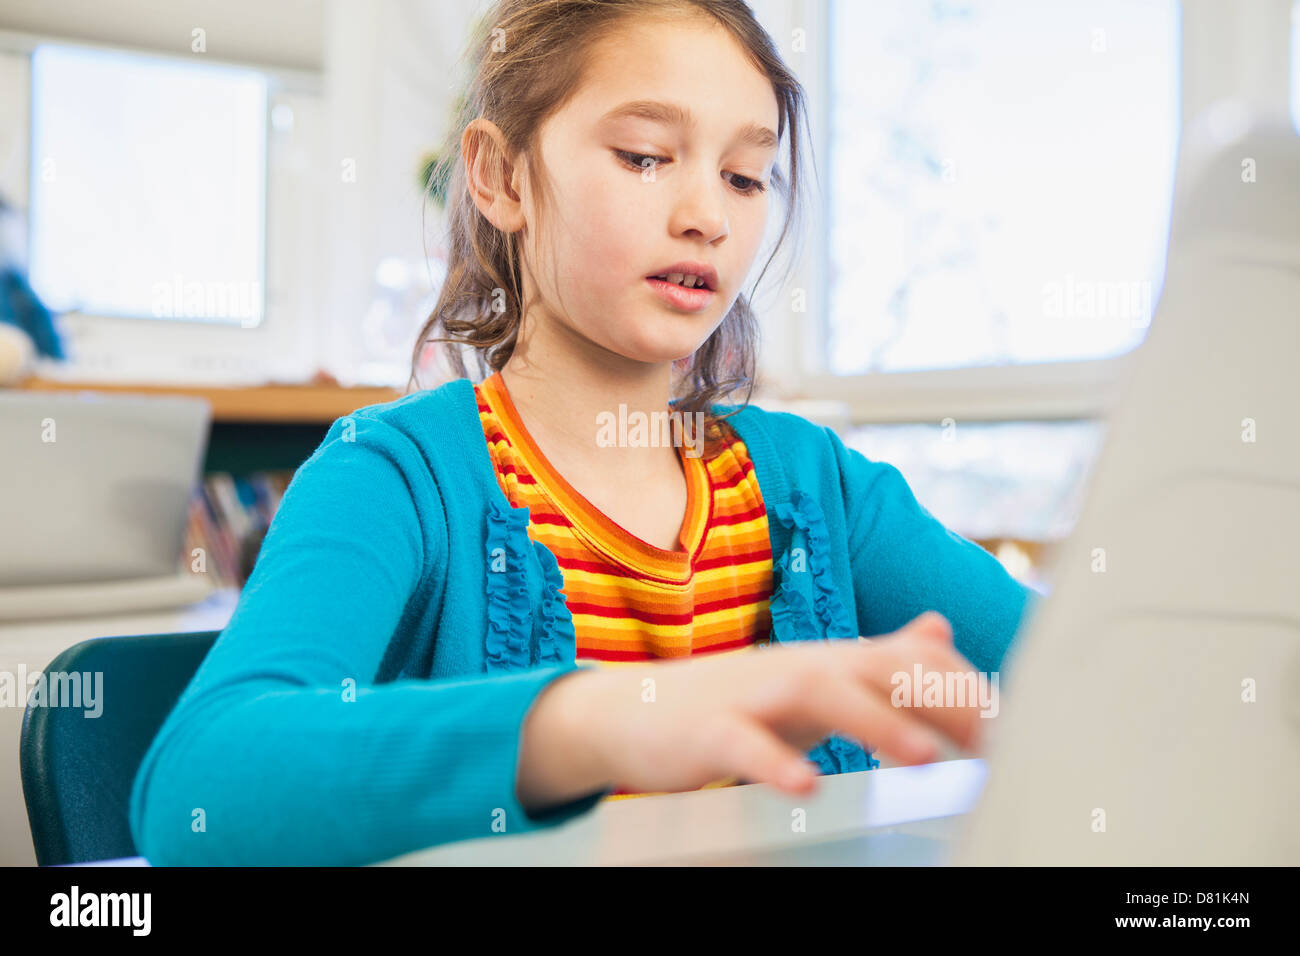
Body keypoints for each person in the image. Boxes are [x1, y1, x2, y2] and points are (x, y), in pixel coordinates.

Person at [130, 0, 1039, 866]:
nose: (709, 217)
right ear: (499, 175)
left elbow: (1090, 671)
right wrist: (611, 717)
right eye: (644, 156)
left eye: (744, 176)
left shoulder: (820, 487)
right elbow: (195, 789)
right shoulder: (395, 475)